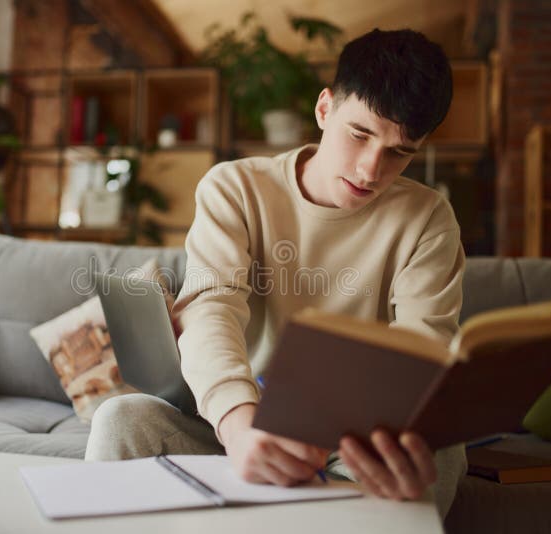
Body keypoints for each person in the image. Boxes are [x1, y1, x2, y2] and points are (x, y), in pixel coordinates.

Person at [85, 28, 466, 518]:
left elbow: (422, 345)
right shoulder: (236, 187)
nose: (372, 170)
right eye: (360, 134)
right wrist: (239, 427)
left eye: (400, 152)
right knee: (120, 419)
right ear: (324, 109)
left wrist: (387, 438)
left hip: (355, 439)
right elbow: (212, 305)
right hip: (242, 422)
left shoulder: (429, 219)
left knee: (440, 452)